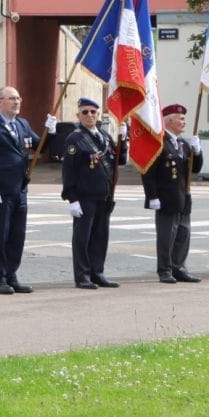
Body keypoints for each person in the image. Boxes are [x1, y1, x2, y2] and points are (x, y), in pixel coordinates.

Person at [0, 86, 54, 294]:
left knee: (18, 235)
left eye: (18, 98)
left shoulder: (22, 124)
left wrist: (50, 131)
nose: (17, 102)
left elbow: (41, 147)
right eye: (12, 98)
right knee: (0, 235)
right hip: (0, 191)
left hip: (20, 189)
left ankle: (12, 275)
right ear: (0, 101)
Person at [60, 97, 126, 289]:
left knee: (100, 236)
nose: (89, 115)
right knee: (83, 238)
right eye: (85, 112)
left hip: (104, 196)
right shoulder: (75, 138)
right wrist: (71, 198)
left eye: (93, 112)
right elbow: (68, 170)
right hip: (84, 197)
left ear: (98, 114)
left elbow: (119, 160)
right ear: (78, 115)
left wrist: (123, 139)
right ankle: (82, 276)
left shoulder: (105, 136)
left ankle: (98, 272)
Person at [141, 103, 204, 284]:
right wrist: (151, 196)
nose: (184, 122)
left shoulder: (183, 144)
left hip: (183, 197)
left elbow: (195, 169)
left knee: (183, 234)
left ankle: (179, 267)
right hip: (165, 197)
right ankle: (165, 270)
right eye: (181, 119)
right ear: (169, 121)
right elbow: (148, 172)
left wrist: (197, 152)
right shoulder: (159, 143)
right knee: (167, 236)